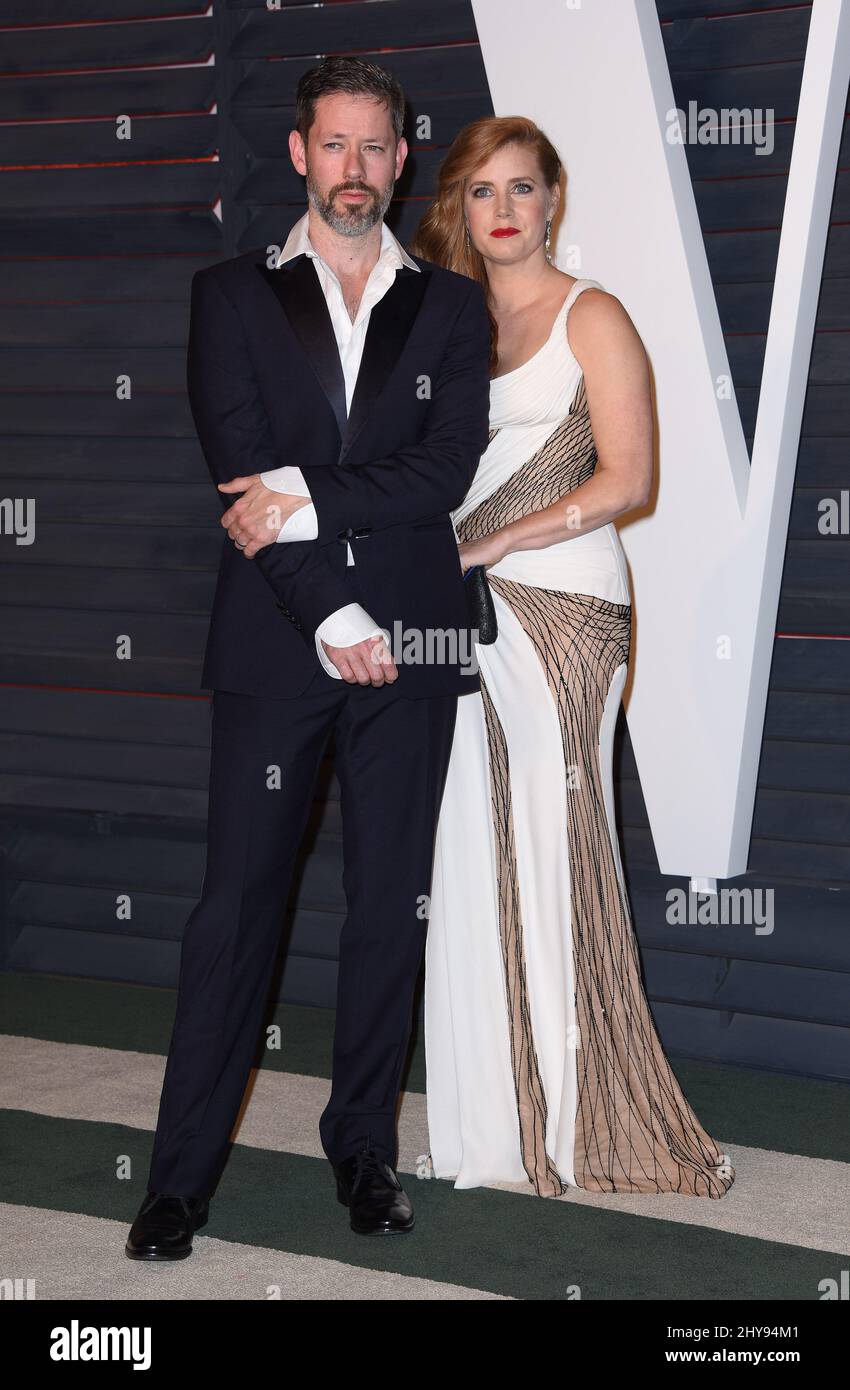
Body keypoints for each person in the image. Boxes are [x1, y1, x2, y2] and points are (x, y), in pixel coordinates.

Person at [124, 56, 491, 1260]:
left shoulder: (447, 305)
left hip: (419, 645)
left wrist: (306, 495)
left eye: (375, 148)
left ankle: (365, 1151)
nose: (354, 171)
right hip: (281, 644)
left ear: (401, 158)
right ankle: (177, 1177)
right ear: (298, 153)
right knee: (236, 910)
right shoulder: (228, 293)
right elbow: (239, 482)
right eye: (333, 146)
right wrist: (331, 610)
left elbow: (443, 475)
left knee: (389, 906)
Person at [417, 117, 735, 1200]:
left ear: (553, 200)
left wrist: (493, 542)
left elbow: (625, 478)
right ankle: (495, 1126)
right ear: (460, 208)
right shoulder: (448, 326)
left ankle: (581, 1118)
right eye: (480, 192)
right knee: (470, 848)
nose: (501, 210)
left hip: (562, 614)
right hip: (457, 610)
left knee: (560, 846)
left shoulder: (590, 314)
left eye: (520, 188)